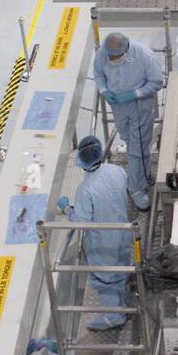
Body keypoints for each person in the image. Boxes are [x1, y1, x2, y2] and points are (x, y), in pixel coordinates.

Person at [57, 135, 132, 331]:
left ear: (82, 161)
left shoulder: (86, 189)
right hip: (124, 234)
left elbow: (82, 223)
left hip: (103, 242)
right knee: (123, 268)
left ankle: (113, 316)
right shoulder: (117, 171)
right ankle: (125, 299)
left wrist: (67, 210)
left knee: (105, 277)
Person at [93, 32, 164, 210]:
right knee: (129, 141)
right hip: (118, 105)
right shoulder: (104, 52)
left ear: (126, 50)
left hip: (140, 106)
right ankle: (144, 173)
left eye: (115, 56)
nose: (111, 59)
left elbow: (156, 82)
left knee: (137, 148)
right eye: (110, 56)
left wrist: (134, 94)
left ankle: (136, 189)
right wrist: (103, 91)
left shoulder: (144, 56)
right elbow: (99, 73)